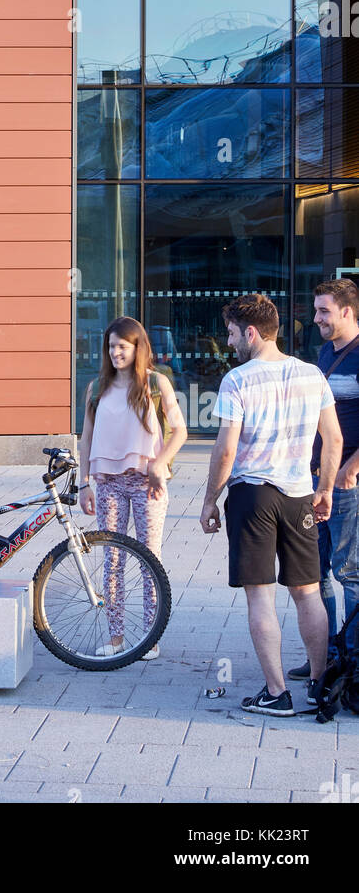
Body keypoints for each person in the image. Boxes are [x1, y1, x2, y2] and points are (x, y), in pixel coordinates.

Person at [200, 293, 342, 717]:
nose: (228, 344)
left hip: (253, 495)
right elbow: (333, 439)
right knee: (308, 592)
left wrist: (210, 499)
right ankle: (319, 686)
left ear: (251, 332)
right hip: (300, 493)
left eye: (230, 334)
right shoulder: (312, 374)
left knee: (260, 596)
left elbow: (226, 451)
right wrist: (327, 489)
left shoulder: (238, 380)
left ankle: (277, 694)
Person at [78, 316, 188, 658]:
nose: (115, 353)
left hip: (147, 484)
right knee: (112, 560)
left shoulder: (157, 384)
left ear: (138, 347)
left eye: (122, 347)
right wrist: (83, 484)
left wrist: (159, 463)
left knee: (149, 559)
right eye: (111, 347)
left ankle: (150, 639)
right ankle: (115, 638)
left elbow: (181, 431)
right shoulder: (96, 388)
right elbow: (86, 438)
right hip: (108, 483)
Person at [287, 278, 359, 680]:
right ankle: (327, 654)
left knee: (349, 570)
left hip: (348, 484)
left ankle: (353, 660)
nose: (316, 319)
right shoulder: (324, 353)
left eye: (324, 311)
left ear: (347, 311)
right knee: (314, 570)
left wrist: (351, 468)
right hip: (314, 480)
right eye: (316, 311)